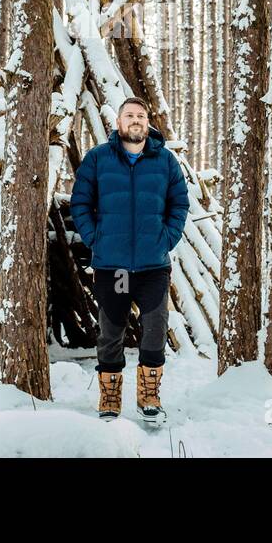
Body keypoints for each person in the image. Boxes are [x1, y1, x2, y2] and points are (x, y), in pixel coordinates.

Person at [68, 96, 189, 423]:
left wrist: (167, 238)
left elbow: (179, 204)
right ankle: (109, 397)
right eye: (129, 115)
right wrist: (96, 239)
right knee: (110, 332)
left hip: (153, 266)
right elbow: (80, 203)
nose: (135, 120)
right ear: (119, 122)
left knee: (154, 331)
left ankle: (149, 395)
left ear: (147, 122)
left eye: (140, 115)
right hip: (114, 267)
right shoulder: (98, 159)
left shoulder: (164, 161)